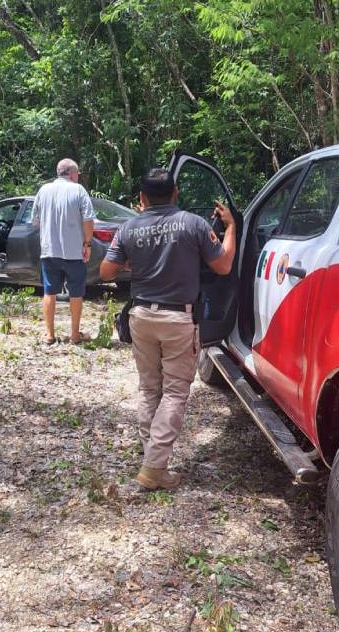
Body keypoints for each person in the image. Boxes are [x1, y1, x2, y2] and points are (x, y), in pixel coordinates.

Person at [100, 168, 235, 491]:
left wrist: (135, 260)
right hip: (178, 320)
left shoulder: (129, 227)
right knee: (175, 392)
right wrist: (231, 227)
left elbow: (106, 271)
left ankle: (153, 458)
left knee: (149, 389)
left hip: (142, 315)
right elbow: (224, 265)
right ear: (175, 194)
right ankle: (154, 467)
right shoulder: (194, 224)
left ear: (142, 199)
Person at [32, 159, 96, 345]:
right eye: (78, 174)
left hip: (49, 251)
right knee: (76, 293)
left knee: (49, 292)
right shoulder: (78, 190)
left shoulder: (43, 191)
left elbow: (35, 221)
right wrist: (87, 244)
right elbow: (89, 219)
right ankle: (75, 335)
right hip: (74, 251)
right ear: (73, 174)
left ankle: (49, 335)